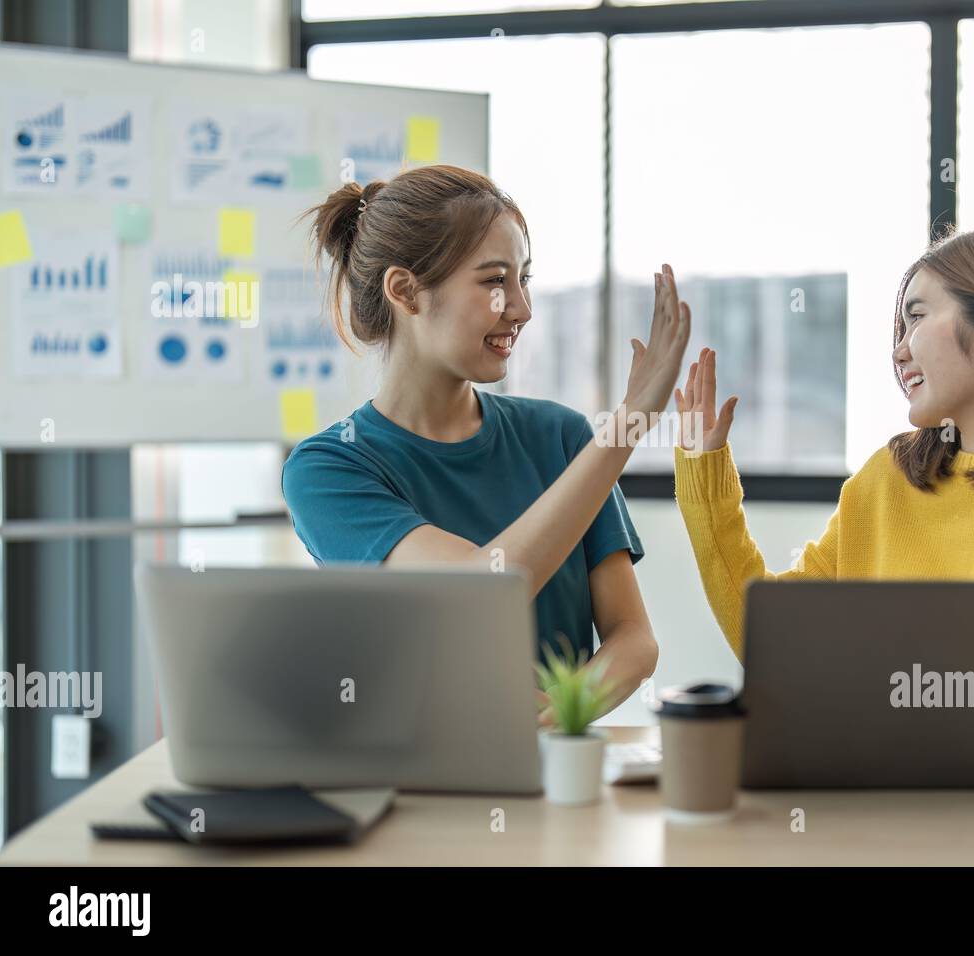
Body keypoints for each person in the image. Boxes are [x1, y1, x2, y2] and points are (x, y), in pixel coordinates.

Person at [673, 225, 974, 707]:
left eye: (917, 318)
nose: (899, 351)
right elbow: (774, 642)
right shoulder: (889, 476)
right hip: (868, 768)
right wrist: (705, 484)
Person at [282, 165, 691, 722]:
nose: (521, 308)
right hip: (418, 779)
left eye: (523, 280)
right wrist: (625, 430)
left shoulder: (562, 438)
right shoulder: (328, 469)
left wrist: (553, 722)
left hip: (555, 777)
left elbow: (632, 637)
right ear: (405, 291)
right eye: (495, 281)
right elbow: (480, 586)